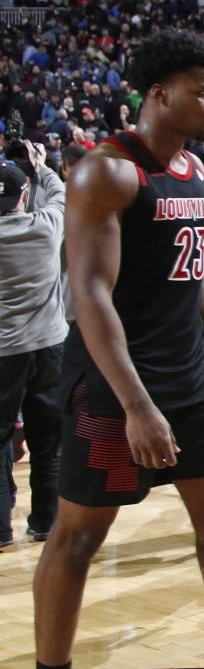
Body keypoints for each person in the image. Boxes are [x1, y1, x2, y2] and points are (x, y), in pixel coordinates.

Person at [34, 30, 204, 669]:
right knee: (78, 539)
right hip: (115, 388)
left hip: (190, 381)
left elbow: (193, 277)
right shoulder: (106, 170)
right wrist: (136, 406)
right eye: (203, 92)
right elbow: (90, 296)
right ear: (158, 93)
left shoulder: (197, 171)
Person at [0, 142, 65, 550]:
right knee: (49, 441)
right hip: (49, 348)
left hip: (3, 352)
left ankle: (0, 531)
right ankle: (47, 522)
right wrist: (40, 167)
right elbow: (60, 192)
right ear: (23, 195)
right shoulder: (45, 225)